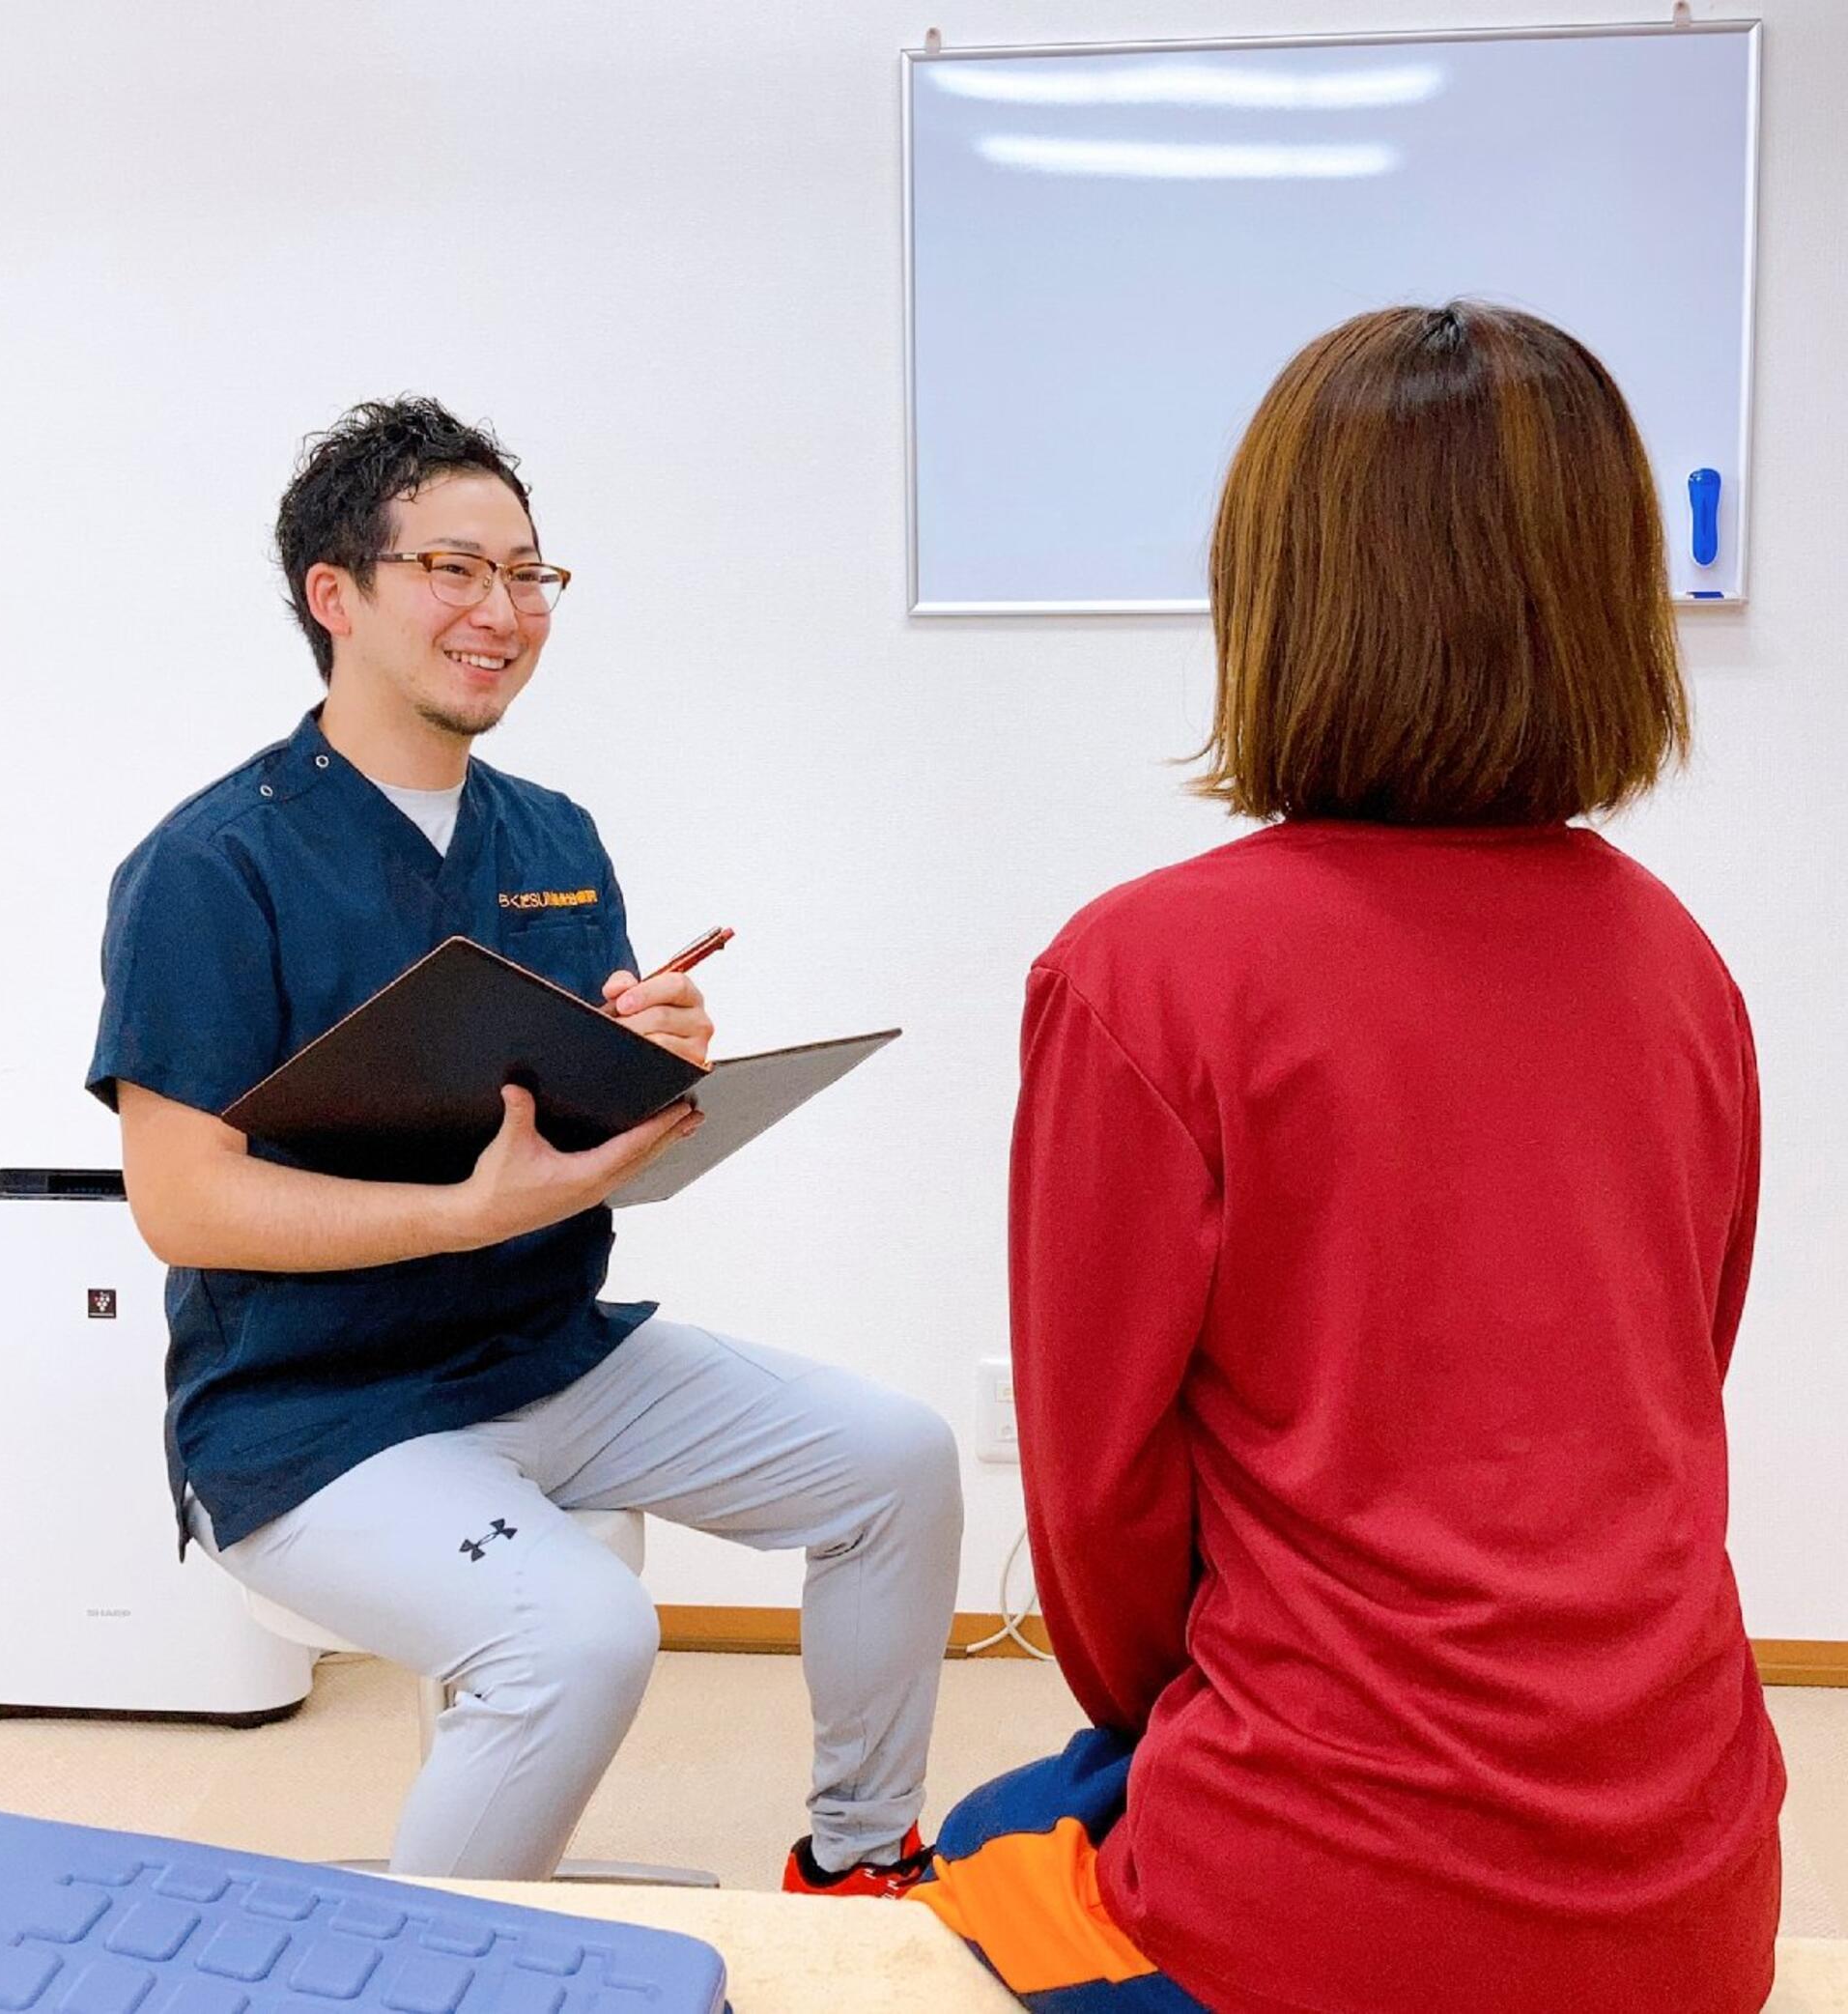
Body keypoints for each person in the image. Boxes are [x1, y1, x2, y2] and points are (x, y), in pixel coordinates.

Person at [911, 304, 1784, 2013]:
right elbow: (1679, 1383)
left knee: (980, 1850)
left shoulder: (1144, 972)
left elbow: (1099, 1522)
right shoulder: (1682, 966)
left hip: (1321, 1908)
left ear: (1277, 589)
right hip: (1694, 1894)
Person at [87, 397, 962, 1887]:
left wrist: (653, 1062)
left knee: (900, 1459)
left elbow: (570, 1113)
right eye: (456, 568)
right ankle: (424, 1972)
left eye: (531, 574)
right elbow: (179, 1202)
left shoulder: (554, 839)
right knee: (580, 1631)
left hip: (546, 1349)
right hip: (315, 1415)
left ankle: (861, 1857)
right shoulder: (207, 865)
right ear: (336, 595)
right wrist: (461, 1216)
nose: (503, 612)